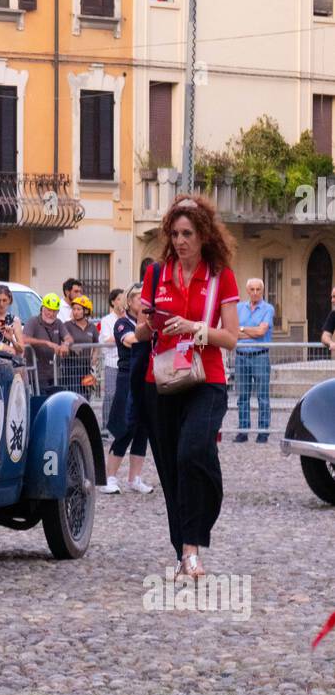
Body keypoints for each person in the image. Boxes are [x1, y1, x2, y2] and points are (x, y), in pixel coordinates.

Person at [135, 194, 240, 579]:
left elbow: (232, 337)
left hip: (205, 378)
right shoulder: (156, 274)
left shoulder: (220, 275)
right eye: (175, 233)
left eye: (188, 234)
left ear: (203, 236)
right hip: (161, 379)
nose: (180, 241)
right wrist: (149, 325)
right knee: (170, 469)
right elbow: (142, 330)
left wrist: (196, 328)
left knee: (193, 453)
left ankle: (195, 538)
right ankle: (186, 551)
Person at [98, 285, 154, 495]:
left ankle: (135, 478)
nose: (143, 303)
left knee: (142, 429)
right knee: (125, 427)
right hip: (127, 378)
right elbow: (131, 341)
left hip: (146, 379)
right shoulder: (123, 323)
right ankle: (109, 478)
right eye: (139, 299)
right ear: (129, 302)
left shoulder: (149, 324)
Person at [234, 277, 275, 444]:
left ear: (262, 291)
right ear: (247, 291)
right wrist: (251, 331)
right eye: (252, 289)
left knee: (263, 396)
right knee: (242, 396)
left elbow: (261, 332)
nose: (255, 292)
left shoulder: (268, 308)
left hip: (260, 356)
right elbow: (233, 332)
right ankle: (243, 431)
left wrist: (242, 329)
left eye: (258, 289)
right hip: (241, 356)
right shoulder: (238, 308)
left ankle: (263, 431)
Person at [23, 294, 69, 390]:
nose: (51, 314)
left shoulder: (58, 323)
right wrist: (47, 343)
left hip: (54, 373)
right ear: (42, 308)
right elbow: (24, 339)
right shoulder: (33, 321)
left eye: (54, 311)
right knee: (41, 400)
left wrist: (65, 344)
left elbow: (68, 337)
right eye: (49, 310)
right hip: (37, 374)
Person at [60, 295, 99, 394]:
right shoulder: (67, 325)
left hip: (86, 367)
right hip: (70, 367)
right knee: (75, 395)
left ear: (86, 311)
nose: (75, 312)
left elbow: (96, 345)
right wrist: (72, 348)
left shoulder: (92, 327)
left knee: (87, 395)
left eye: (78, 309)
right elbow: (61, 342)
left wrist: (94, 359)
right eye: (74, 309)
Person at [99, 288, 125, 431]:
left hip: (125, 362)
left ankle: (121, 424)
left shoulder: (127, 319)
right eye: (120, 299)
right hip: (111, 362)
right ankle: (106, 425)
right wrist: (123, 336)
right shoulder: (106, 320)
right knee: (110, 394)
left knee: (124, 394)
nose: (123, 302)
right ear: (113, 301)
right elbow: (107, 339)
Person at [0, 285, 25, 357]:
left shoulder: (14, 320)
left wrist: (11, 339)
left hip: (6, 361)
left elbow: (21, 349)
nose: (1, 304)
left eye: (4, 300)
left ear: (9, 300)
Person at [319, 285, 335, 355]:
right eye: (332, 297)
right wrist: (331, 343)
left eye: (334, 297)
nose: (332, 300)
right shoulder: (333, 315)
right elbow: (324, 336)